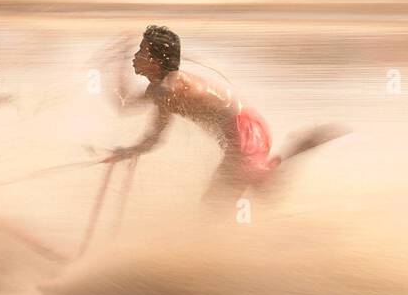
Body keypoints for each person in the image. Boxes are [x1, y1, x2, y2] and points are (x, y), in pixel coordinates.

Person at [106, 25, 345, 202]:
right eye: (136, 53)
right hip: (246, 131)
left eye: (141, 53)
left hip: (244, 132)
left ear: (158, 61)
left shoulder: (168, 87)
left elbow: (126, 103)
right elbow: (153, 137)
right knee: (254, 193)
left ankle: (299, 146)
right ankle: (296, 147)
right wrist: (128, 151)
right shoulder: (163, 91)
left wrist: (118, 56)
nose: (136, 58)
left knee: (219, 202)